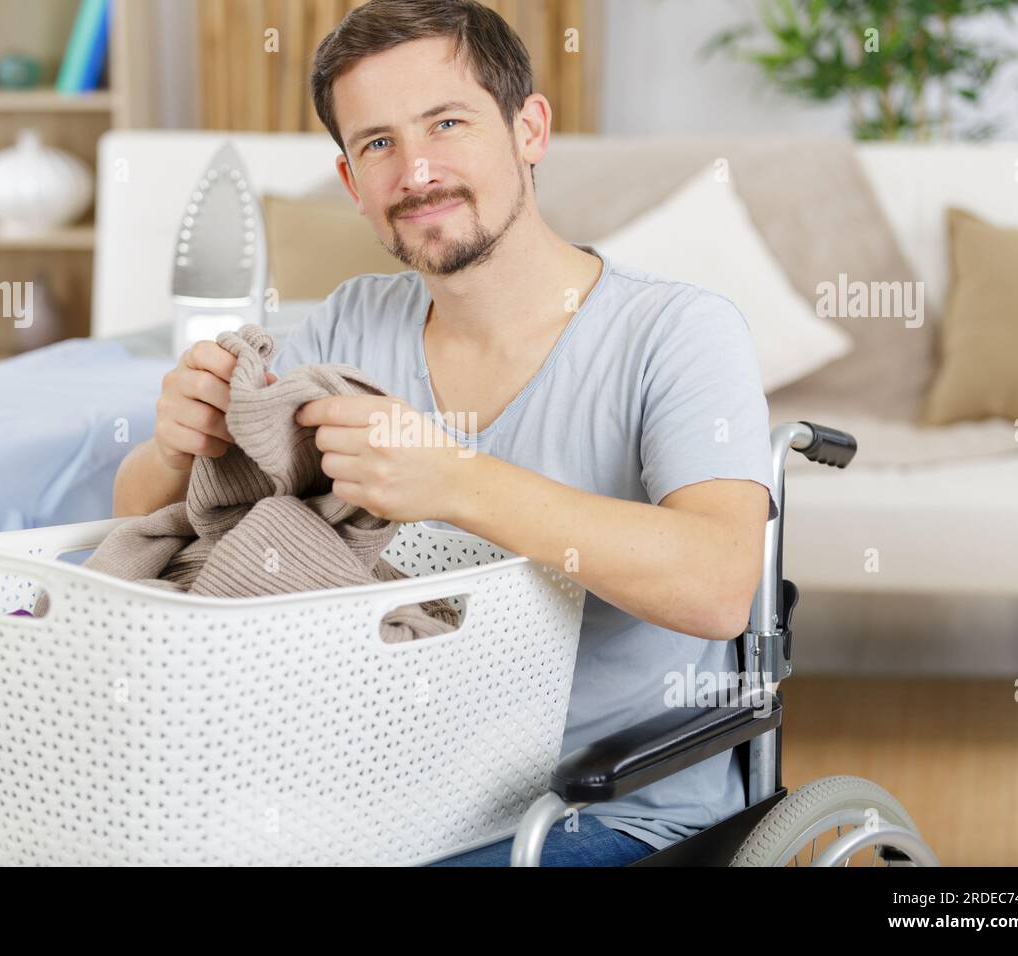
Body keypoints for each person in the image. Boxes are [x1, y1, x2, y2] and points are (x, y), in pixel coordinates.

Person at [112, 0, 778, 866]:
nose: (417, 171)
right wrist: (175, 443)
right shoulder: (347, 326)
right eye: (378, 144)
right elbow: (140, 521)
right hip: (368, 788)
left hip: (593, 809)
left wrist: (456, 481)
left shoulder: (679, 332)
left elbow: (721, 584)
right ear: (352, 183)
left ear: (529, 130)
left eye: (448, 124)